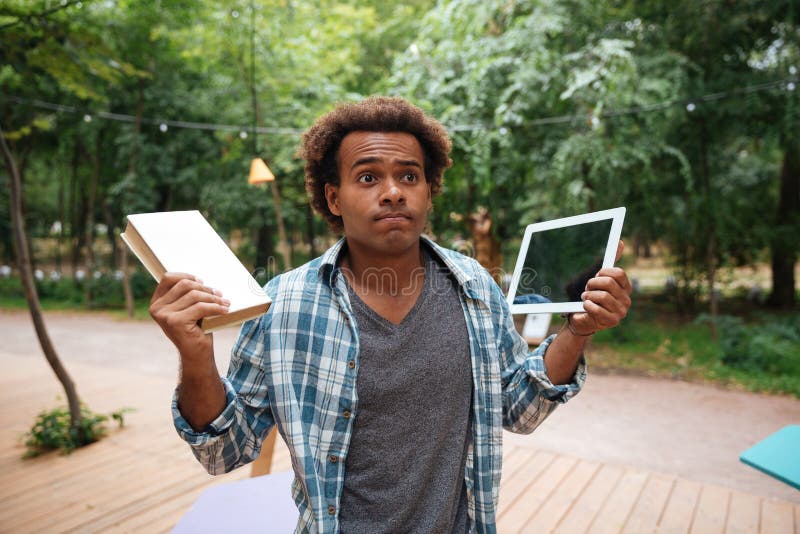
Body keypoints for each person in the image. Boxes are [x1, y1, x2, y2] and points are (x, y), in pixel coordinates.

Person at [149, 97, 632, 533]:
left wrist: (578, 329)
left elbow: (517, 407)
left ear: (428, 190)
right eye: (367, 177)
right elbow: (223, 449)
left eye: (408, 176)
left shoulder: (475, 289)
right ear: (333, 197)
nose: (393, 192)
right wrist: (195, 355)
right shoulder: (285, 305)